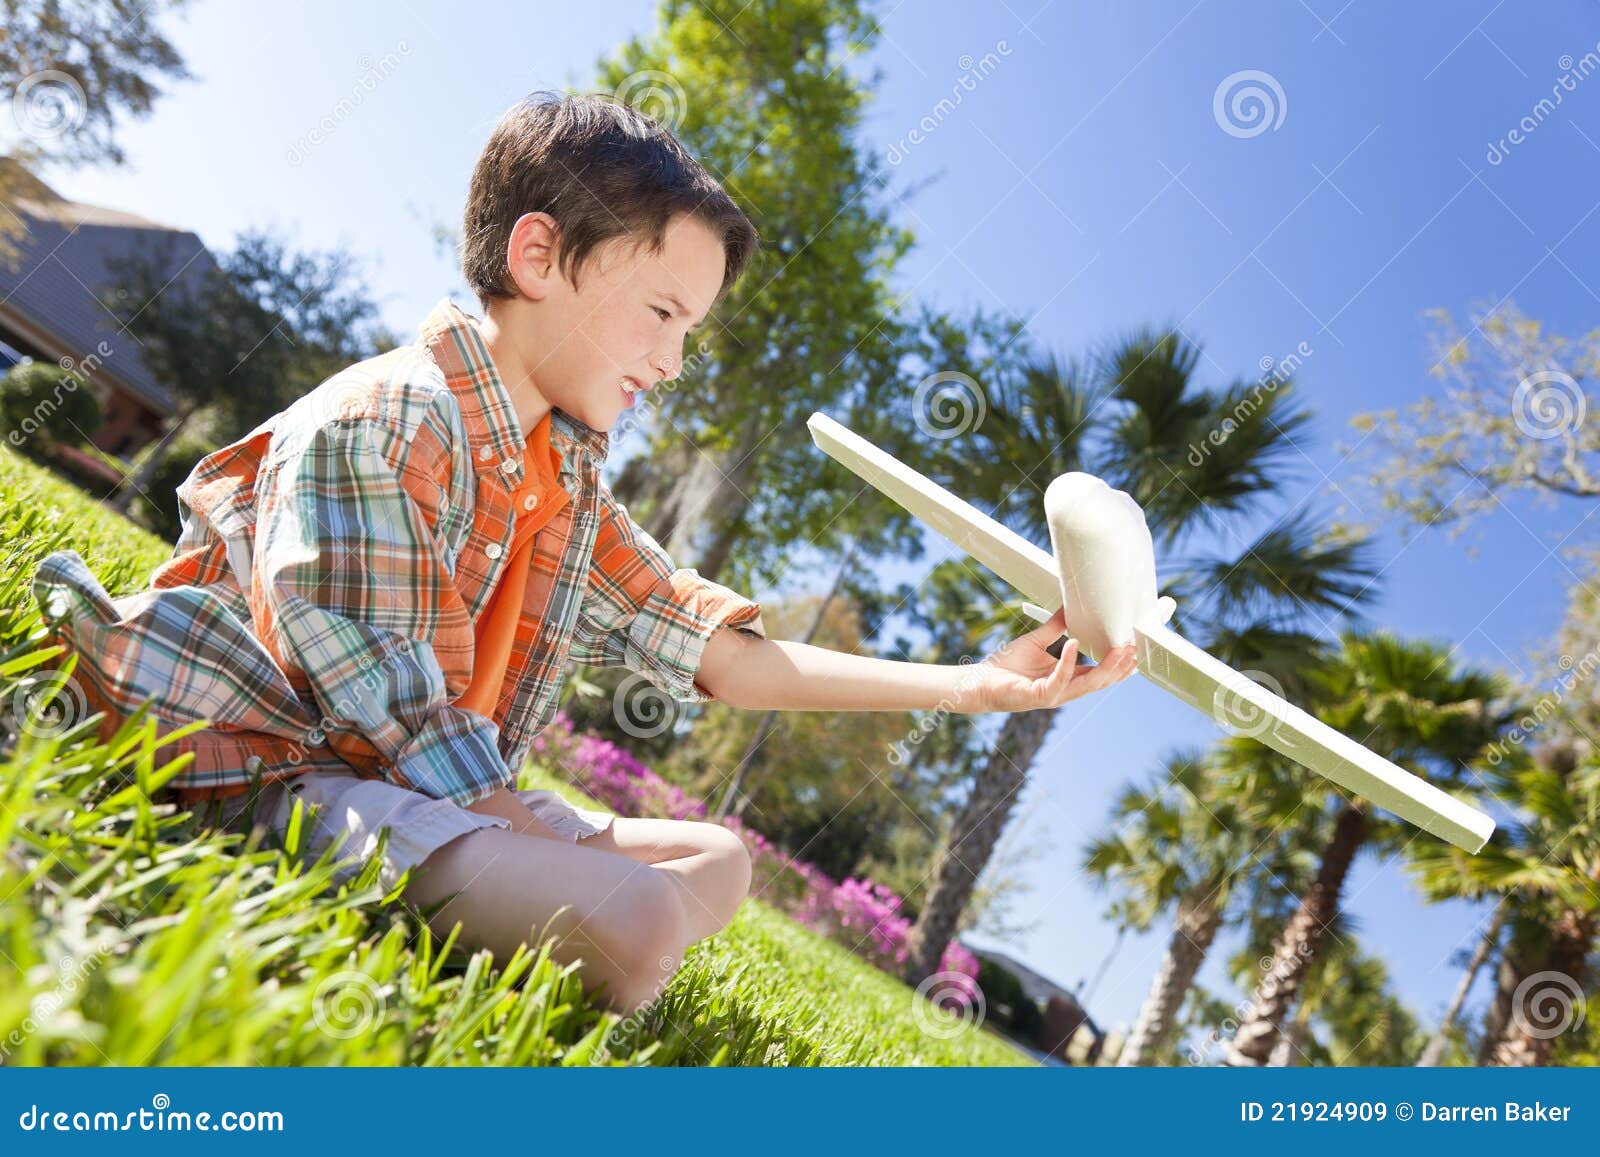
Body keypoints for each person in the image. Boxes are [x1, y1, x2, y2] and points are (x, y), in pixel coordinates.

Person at [31, 92, 1137, 1014]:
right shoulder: (389, 418)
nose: (674, 360)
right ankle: (574, 934)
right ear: (539, 255)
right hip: (280, 777)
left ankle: (545, 919)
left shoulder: (562, 478)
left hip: (427, 797)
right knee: (643, 914)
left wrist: (976, 685)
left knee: (720, 861)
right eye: (661, 311)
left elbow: (719, 652)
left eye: (690, 330)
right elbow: (395, 717)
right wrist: (545, 844)